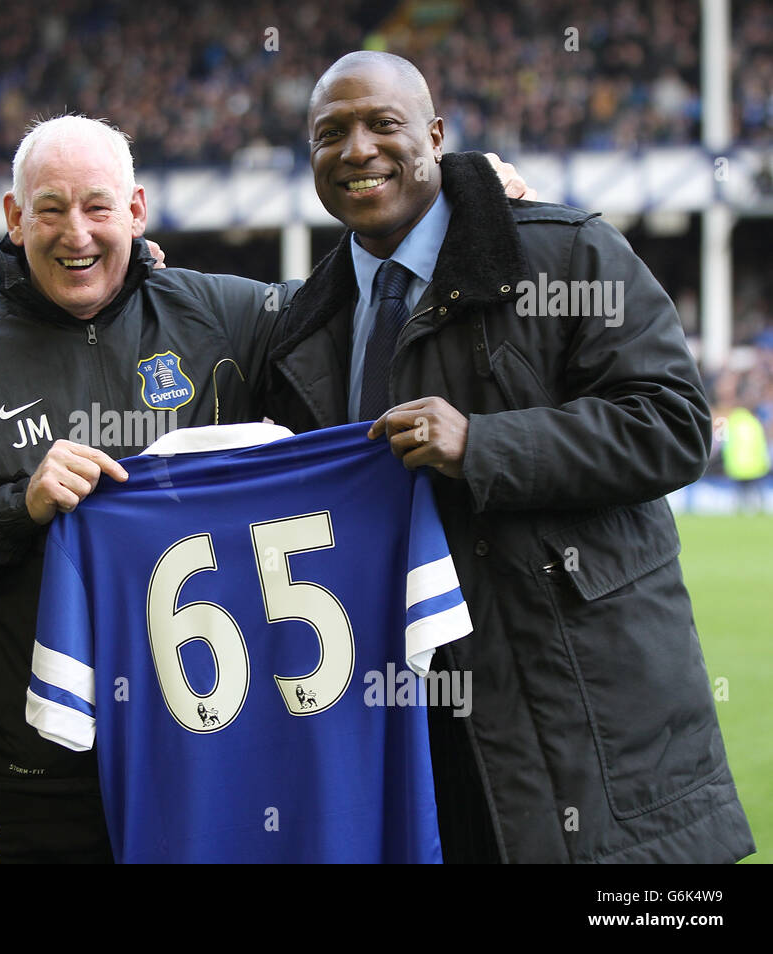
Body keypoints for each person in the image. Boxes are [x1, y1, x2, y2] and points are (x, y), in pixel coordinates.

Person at [262, 51, 754, 862]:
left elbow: (673, 424)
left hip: (583, 733)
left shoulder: (566, 253)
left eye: (383, 125)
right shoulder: (302, 330)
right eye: (330, 133)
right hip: (410, 732)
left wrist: (484, 444)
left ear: (436, 135)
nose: (357, 150)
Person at [0, 115, 296, 863]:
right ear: (14, 217)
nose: (76, 232)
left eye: (98, 208)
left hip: (198, 755)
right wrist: (21, 505)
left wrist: (461, 198)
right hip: (22, 773)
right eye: (50, 208)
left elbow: (362, 303)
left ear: (136, 212)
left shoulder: (222, 317)